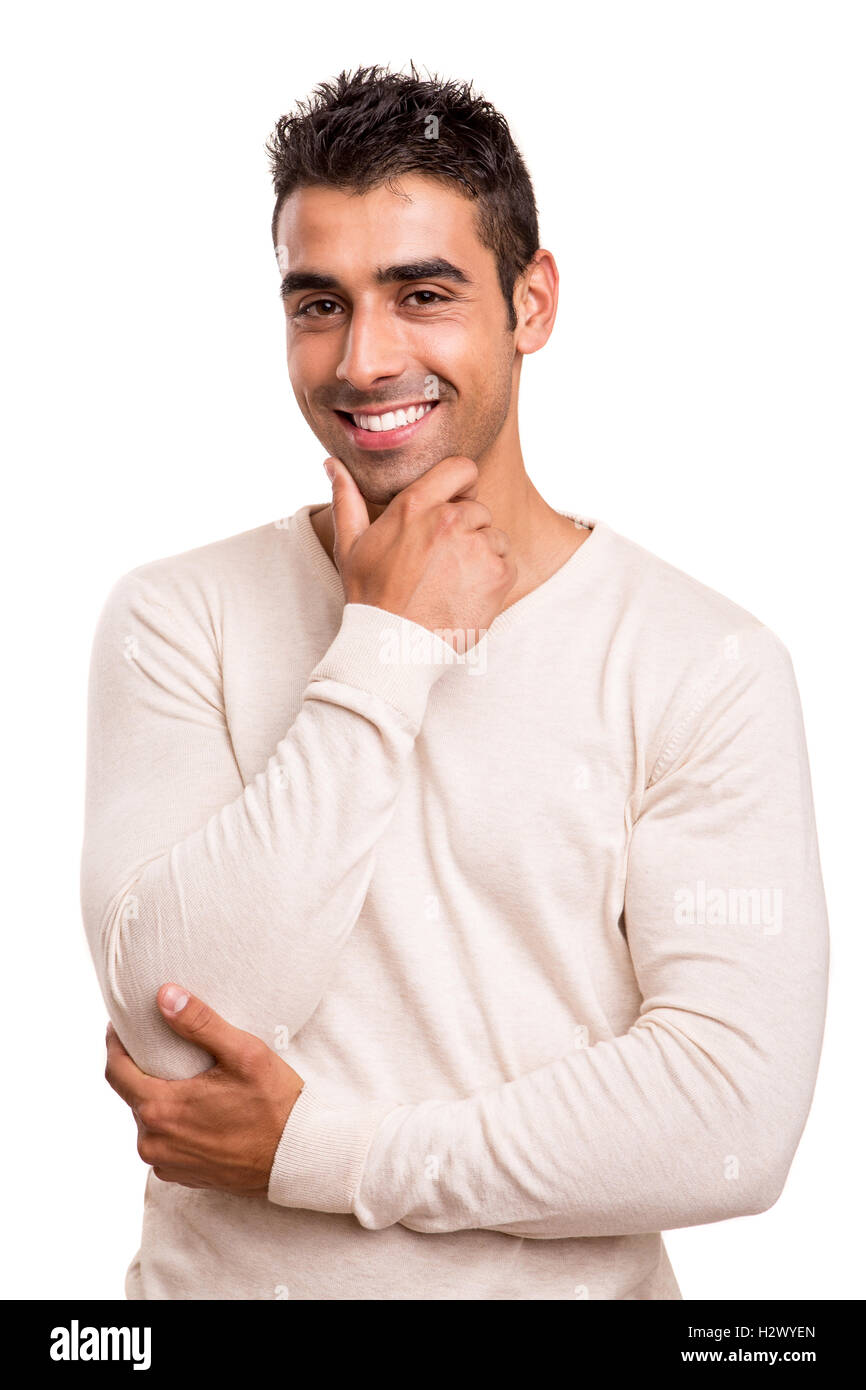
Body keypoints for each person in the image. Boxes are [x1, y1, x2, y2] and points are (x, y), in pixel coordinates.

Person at [82, 64, 829, 1301]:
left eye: (420, 294)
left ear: (530, 302)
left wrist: (323, 1154)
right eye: (317, 304)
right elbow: (179, 1027)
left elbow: (728, 1115)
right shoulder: (177, 620)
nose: (364, 359)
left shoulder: (705, 663)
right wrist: (385, 645)